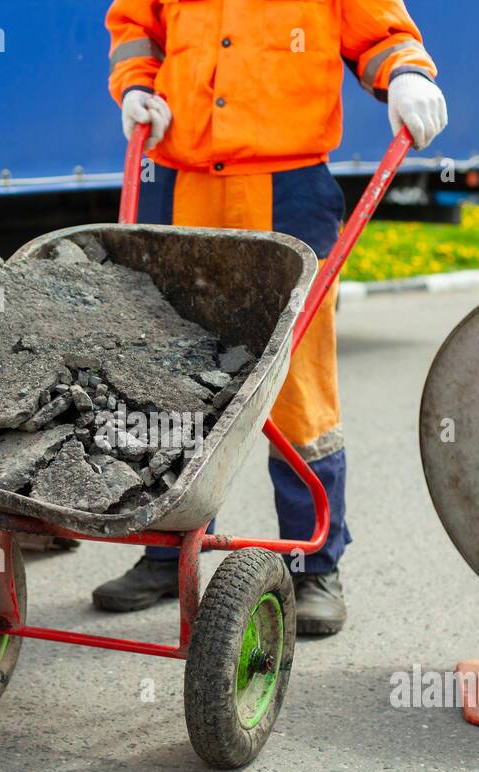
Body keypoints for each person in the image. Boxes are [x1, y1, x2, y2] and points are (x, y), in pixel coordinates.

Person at [95, 0, 447, 636]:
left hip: (285, 186)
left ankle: (315, 567)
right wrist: (138, 86)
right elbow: (135, 26)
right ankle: (164, 548)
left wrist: (406, 73)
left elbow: (381, 35)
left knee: (296, 377)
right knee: (168, 370)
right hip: (182, 179)